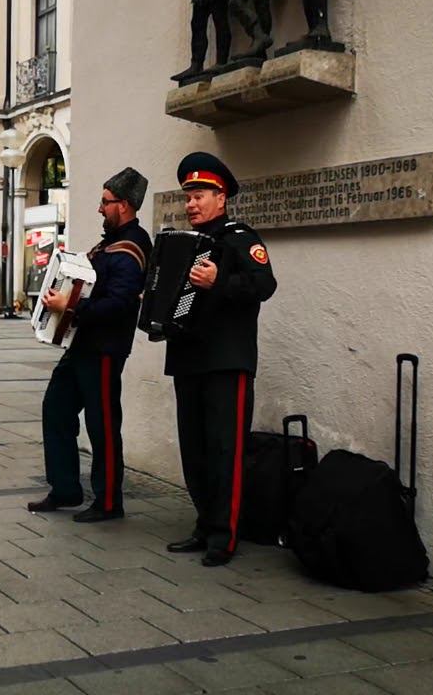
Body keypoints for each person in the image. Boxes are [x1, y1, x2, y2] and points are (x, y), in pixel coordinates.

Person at [163, 152, 276, 567]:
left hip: (228, 361)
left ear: (221, 196)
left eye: (199, 196)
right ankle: (204, 523)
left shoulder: (240, 237)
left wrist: (219, 282)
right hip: (189, 358)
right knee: (194, 450)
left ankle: (225, 536)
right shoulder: (183, 243)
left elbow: (264, 285)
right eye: (187, 196)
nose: (190, 204)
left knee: (225, 449)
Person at [28, 168, 153, 523]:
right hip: (83, 345)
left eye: (105, 202)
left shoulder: (131, 249)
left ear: (124, 206)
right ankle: (66, 489)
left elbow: (121, 305)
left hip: (104, 349)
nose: (100, 209)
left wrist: (69, 306)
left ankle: (110, 502)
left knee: (102, 425)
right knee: (56, 409)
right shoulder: (110, 244)